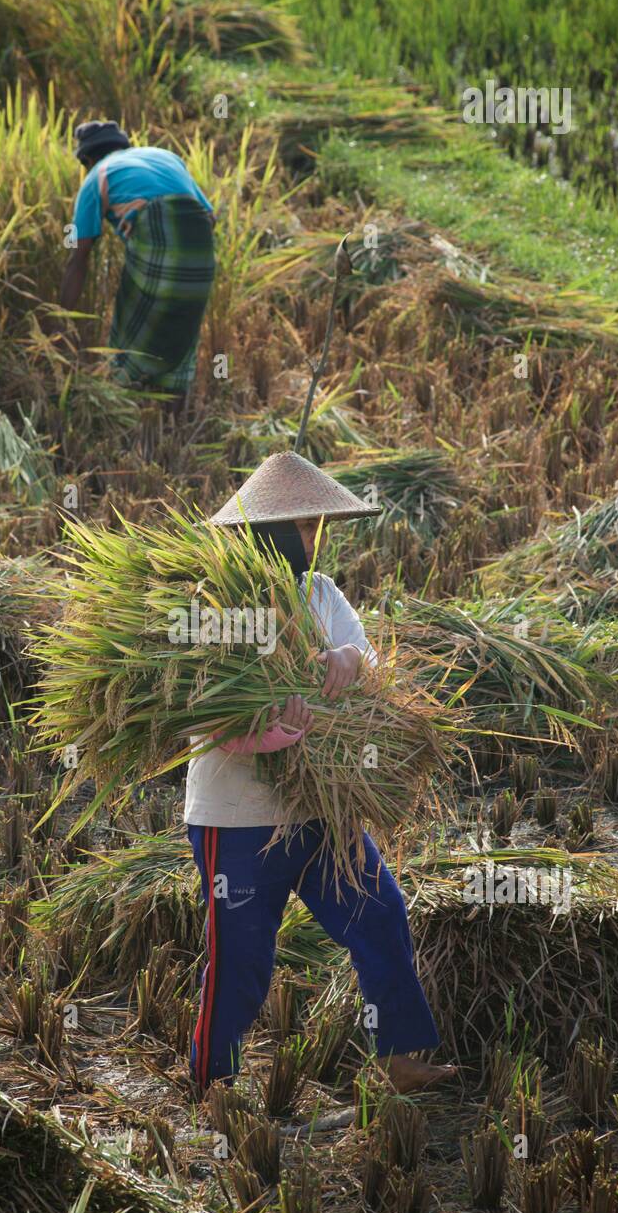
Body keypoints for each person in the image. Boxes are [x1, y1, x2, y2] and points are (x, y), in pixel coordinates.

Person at [184, 451, 457, 1097]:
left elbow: (371, 663)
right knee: (242, 963)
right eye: (302, 528)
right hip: (239, 822)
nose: (312, 540)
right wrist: (275, 722)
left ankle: (395, 1056)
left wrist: (345, 661)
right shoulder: (219, 608)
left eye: (315, 527)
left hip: (318, 812)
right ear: (268, 532)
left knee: (380, 914)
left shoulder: (321, 594)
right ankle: (210, 1083)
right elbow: (210, 715)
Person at [58, 119, 216, 416]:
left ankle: (125, 415)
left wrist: (60, 321)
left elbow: (78, 258)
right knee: (183, 328)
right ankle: (172, 430)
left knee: (127, 332)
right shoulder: (166, 156)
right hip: (201, 247)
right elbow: (210, 217)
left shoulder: (97, 175)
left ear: (88, 159)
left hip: (160, 230)